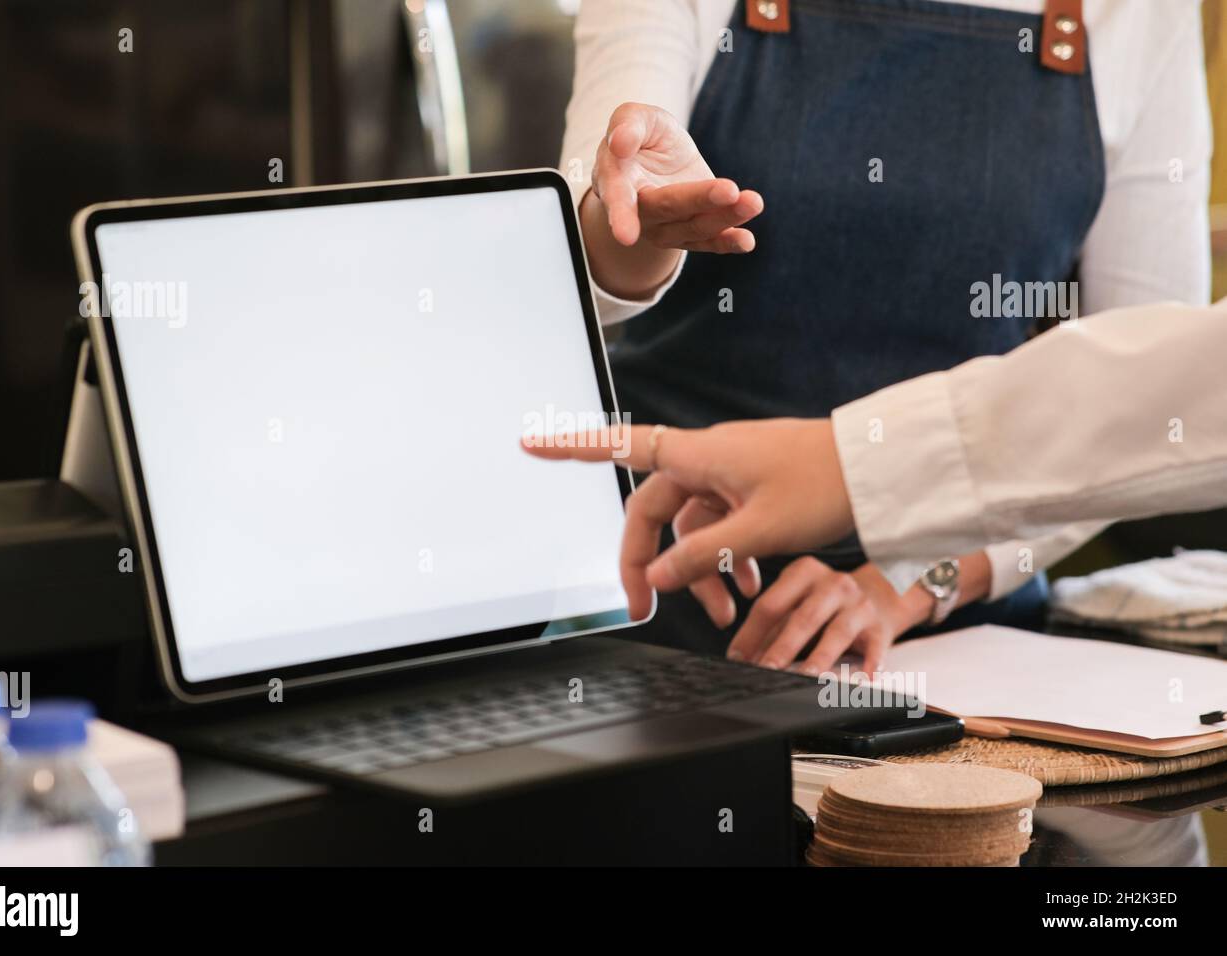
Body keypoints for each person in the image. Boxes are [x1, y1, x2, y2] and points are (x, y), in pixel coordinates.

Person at [560, 0, 1213, 664]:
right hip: (659, 595)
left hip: (961, 641)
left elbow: (1144, 410)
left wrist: (915, 580)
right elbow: (580, 267)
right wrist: (636, 226)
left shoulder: (1143, 13)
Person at [523, 297, 1227, 672]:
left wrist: (914, 570)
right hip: (674, 637)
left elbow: (1141, 433)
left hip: (969, 652)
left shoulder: (1127, 18)